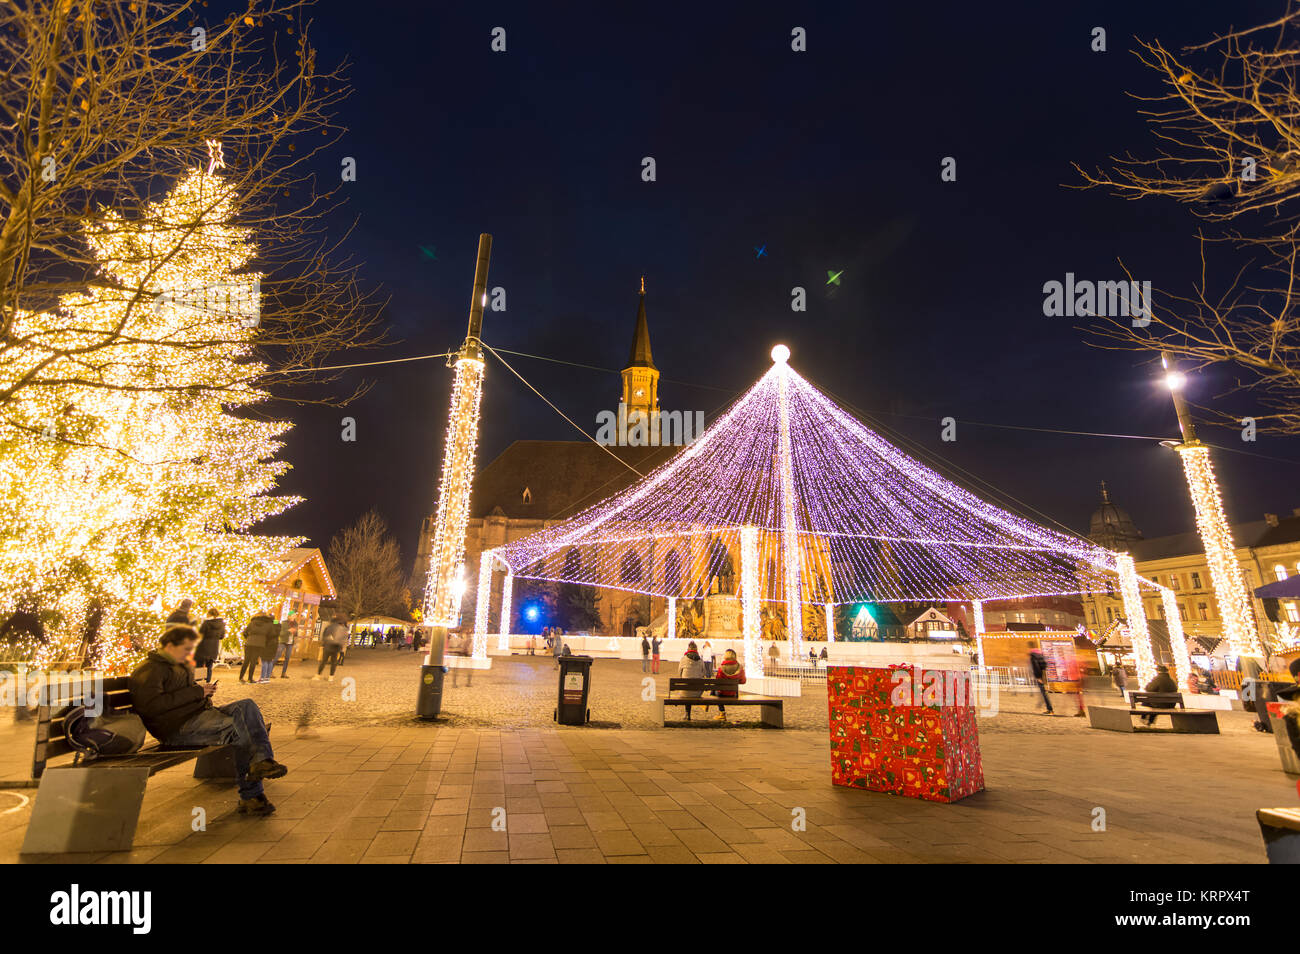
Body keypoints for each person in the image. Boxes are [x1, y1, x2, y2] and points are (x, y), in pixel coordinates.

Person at [129, 625, 286, 815]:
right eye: (187, 648)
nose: (190, 653)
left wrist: (204, 693)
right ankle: (253, 793)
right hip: (177, 729)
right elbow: (152, 706)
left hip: (197, 717)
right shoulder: (150, 670)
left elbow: (184, 695)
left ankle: (260, 767)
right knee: (242, 730)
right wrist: (197, 692)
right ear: (170, 645)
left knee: (247, 706)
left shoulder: (176, 665)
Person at [240, 611, 276, 683]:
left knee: (246, 661)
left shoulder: (252, 622)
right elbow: (272, 635)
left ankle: (241, 677)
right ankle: (250, 678)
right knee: (253, 661)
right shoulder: (268, 624)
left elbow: (244, 632)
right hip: (259, 644)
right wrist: (265, 641)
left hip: (249, 643)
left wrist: (248, 638)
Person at [713, 648, 746, 721]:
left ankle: (722, 712)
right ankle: (721, 713)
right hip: (734, 694)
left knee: (714, 690)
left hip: (722, 694)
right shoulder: (740, 667)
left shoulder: (721, 668)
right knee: (715, 689)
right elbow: (743, 681)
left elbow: (717, 681)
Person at [677, 641, 707, 720]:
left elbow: (679, 673)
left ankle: (687, 713)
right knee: (691, 689)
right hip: (697, 692)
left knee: (686, 689)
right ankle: (689, 712)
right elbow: (704, 673)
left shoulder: (683, 659)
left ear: (688, 649)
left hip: (685, 691)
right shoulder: (700, 660)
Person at [195, 608, 225, 683]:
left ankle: (198, 682)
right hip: (213, 647)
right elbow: (221, 636)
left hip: (203, 646)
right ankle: (207, 682)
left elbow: (200, 634)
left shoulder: (206, 623)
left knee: (200, 666)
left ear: (209, 614)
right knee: (209, 666)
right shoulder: (221, 624)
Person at [314, 615, 349, 681]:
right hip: (336, 647)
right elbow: (345, 638)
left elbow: (324, 636)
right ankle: (331, 677)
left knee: (323, 661)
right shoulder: (343, 628)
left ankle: (318, 675)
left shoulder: (329, 627)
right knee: (334, 662)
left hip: (328, 646)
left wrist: (324, 644)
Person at [1028, 646, 1054, 714]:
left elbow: (1035, 667)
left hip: (1039, 676)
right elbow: (1045, 665)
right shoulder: (1041, 656)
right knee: (1043, 693)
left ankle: (1050, 709)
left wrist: (1038, 677)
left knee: (1043, 693)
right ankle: (1046, 708)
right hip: (1043, 675)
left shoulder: (1033, 657)